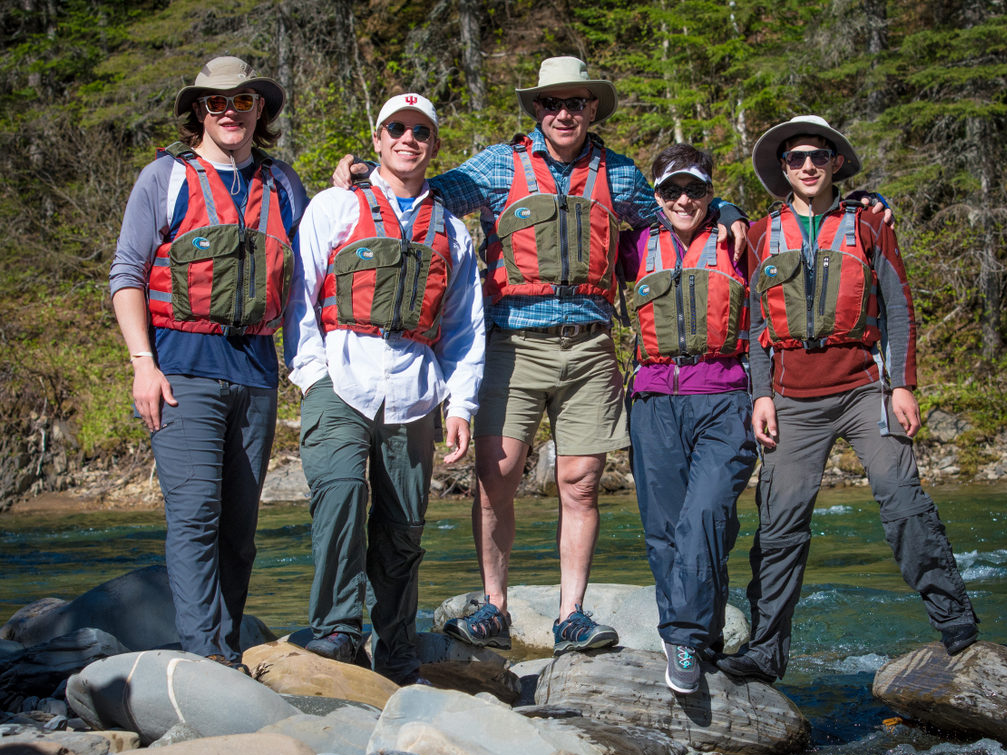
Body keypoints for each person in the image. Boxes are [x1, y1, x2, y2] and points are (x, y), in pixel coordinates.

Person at [334, 58, 747, 656]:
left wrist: (730, 210)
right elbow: (427, 189)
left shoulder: (621, 175)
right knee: (495, 476)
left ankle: (572, 613)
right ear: (536, 111)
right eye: (552, 103)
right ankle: (494, 606)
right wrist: (366, 170)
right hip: (513, 343)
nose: (563, 114)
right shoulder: (502, 165)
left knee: (580, 483)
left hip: (589, 349)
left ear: (591, 110)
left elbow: (681, 205)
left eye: (575, 103)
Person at [717, 115, 979, 685]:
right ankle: (766, 651)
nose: (807, 166)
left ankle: (955, 619)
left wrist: (903, 383)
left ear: (836, 163)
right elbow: (754, 325)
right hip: (790, 397)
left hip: (865, 389)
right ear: (782, 169)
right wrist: (760, 395)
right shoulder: (761, 234)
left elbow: (900, 308)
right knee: (781, 524)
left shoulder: (869, 224)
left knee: (902, 499)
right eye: (795, 159)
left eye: (818, 156)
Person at [110, 56, 307, 671]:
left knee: (239, 534)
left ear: (259, 112)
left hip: (256, 372)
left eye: (243, 102)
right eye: (216, 103)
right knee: (195, 514)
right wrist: (144, 364)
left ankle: (224, 644)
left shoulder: (284, 184)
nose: (230, 113)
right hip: (181, 370)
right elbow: (128, 274)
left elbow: (312, 268)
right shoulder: (163, 178)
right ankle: (203, 656)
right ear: (199, 110)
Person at [283, 93, 485, 685]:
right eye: (396, 128)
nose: (408, 139)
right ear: (377, 140)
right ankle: (338, 630)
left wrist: (461, 404)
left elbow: (467, 328)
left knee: (403, 528)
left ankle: (395, 644)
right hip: (338, 381)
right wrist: (313, 372)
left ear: (433, 146)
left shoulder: (452, 231)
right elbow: (300, 294)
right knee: (341, 495)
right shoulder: (333, 207)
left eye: (420, 131)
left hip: (416, 393)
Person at [619, 144, 757, 693]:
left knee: (706, 518)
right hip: (652, 402)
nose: (683, 200)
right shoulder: (635, 248)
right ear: (656, 197)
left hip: (725, 399)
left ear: (710, 193)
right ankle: (703, 639)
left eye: (695, 190)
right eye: (671, 191)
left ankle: (683, 639)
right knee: (665, 531)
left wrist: (873, 199)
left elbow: (808, 224)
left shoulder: (740, 241)